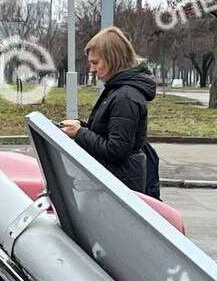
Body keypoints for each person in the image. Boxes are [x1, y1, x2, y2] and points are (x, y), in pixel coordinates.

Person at [60, 26, 157, 194]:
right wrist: (81, 126)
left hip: (120, 187)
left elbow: (117, 151)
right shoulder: (118, 91)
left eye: (95, 63)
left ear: (112, 59)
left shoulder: (125, 97)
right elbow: (110, 131)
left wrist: (80, 133)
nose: (91, 69)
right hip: (116, 183)